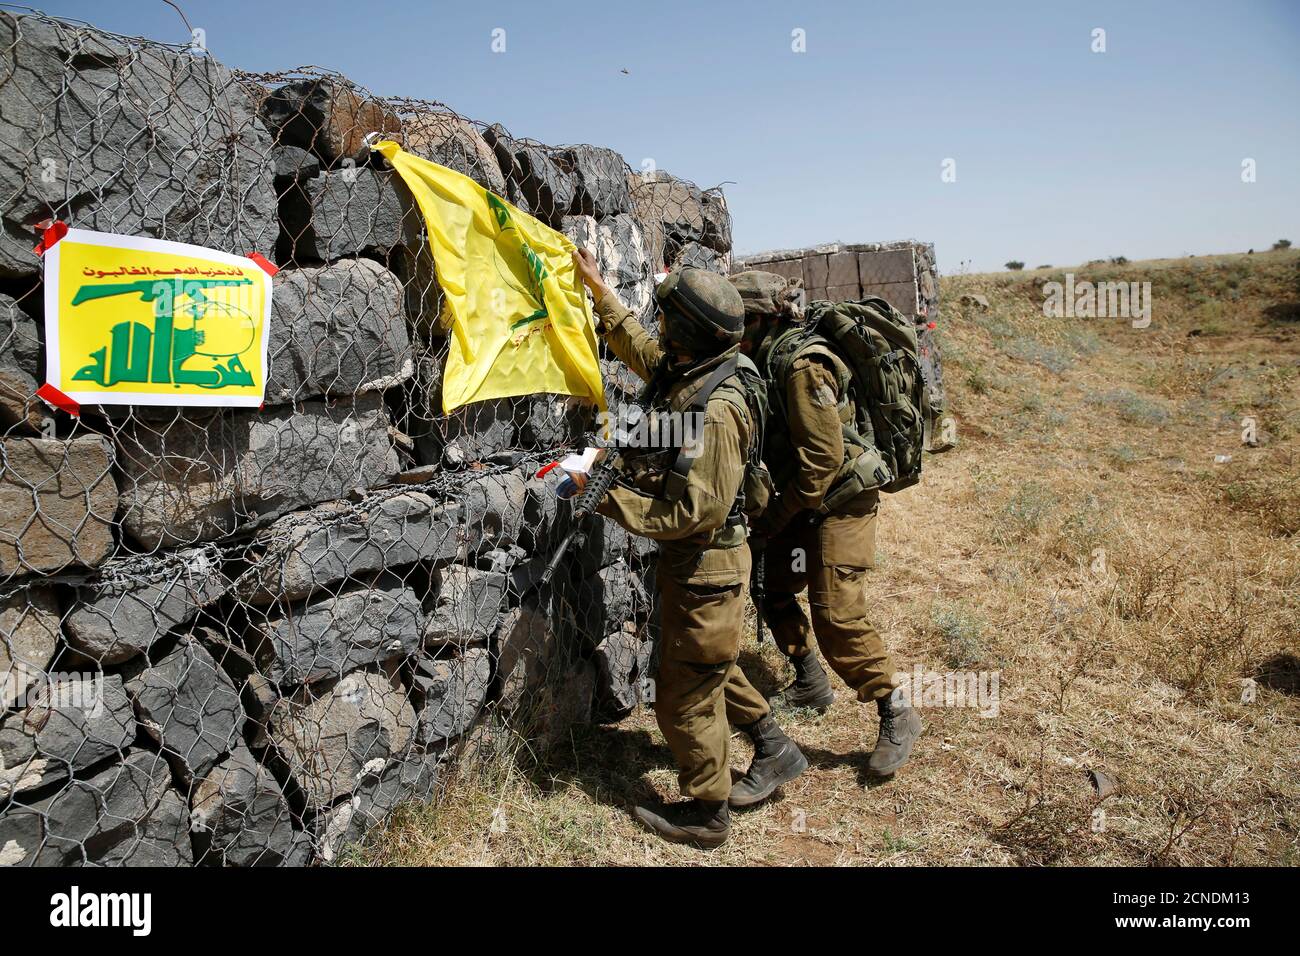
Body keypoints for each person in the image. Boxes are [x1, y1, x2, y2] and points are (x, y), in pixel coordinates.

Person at [571, 250, 807, 847]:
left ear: (689, 331)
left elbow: (689, 512)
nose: (662, 331)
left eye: (668, 320)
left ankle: (707, 811)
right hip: (700, 568)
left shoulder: (720, 409)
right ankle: (775, 747)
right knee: (708, 664)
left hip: (707, 566)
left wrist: (604, 497)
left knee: (682, 694)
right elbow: (646, 355)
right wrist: (601, 293)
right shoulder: (696, 368)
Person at [731, 271, 923, 778]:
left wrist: (773, 519)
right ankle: (810, 677)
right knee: (772, 584)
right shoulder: (763, 358)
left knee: (836, 614)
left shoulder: (802, 367)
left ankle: (894, 709)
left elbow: (820, 461)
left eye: (741, 321)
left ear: (761, 319)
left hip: (842, 498)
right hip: (808, 498)